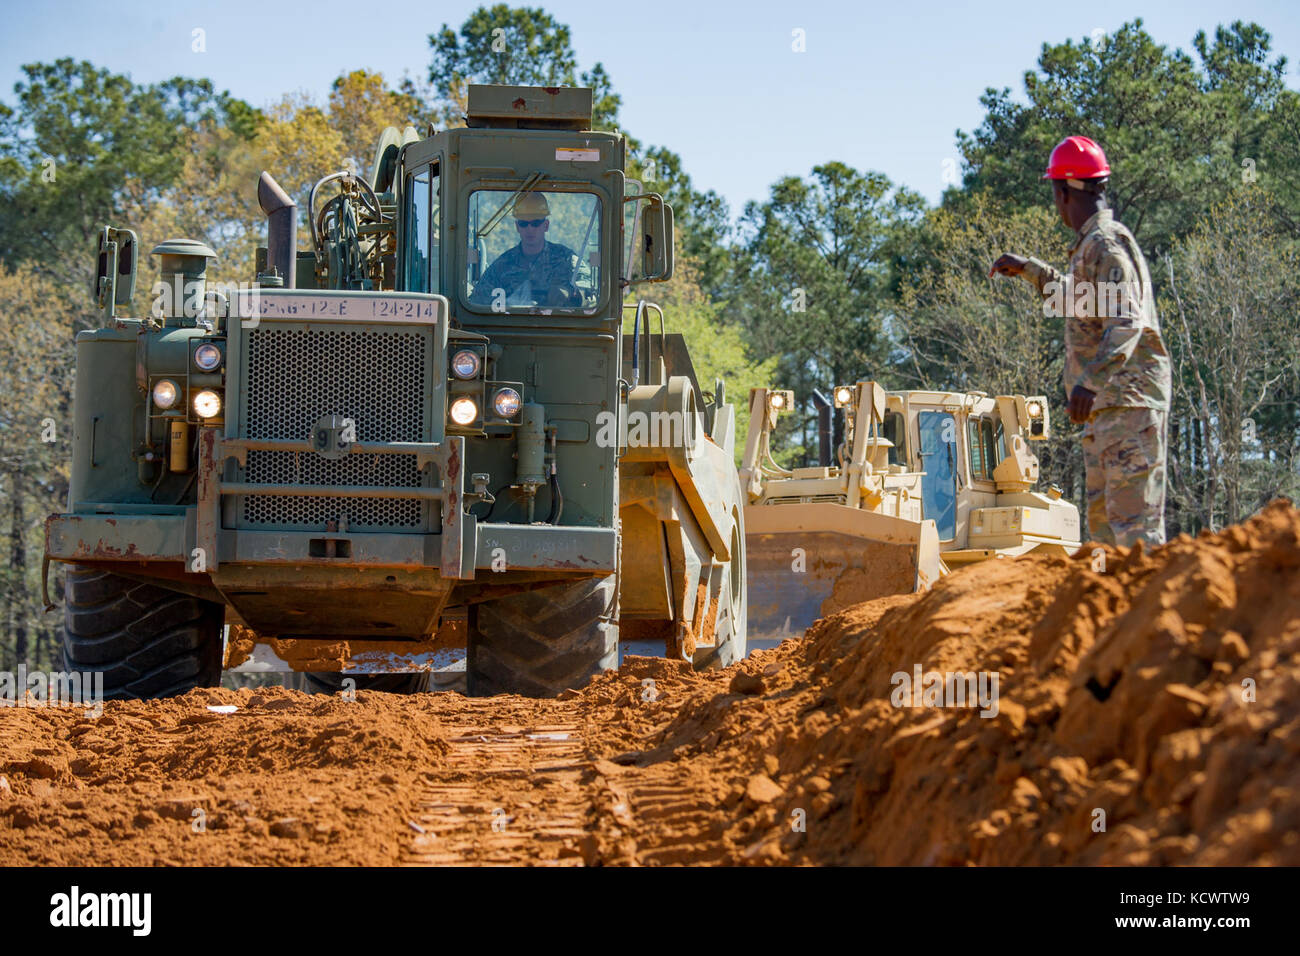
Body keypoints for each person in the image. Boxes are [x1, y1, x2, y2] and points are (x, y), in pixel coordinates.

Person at [989, 135, 1171, 548]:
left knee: (1135, 537)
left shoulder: (1105, 245)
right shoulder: (1091, 246)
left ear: (1061, 193)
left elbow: (1126, 320)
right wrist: (1031, 271)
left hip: (1128, 405)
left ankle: (1152, 613)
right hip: (1109, 410)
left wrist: (1089, 381)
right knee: (1107, 541)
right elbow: (1084, 303)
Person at [470, 192, 581, 308]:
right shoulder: (502, 266)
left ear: (546, 225)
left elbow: (591, 293)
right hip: (514, 325)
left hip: (555, 324)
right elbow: (476, 303)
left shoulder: (566, 259)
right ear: (517, 227)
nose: (530, 229)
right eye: (523, 223)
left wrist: (571, 293)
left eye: (536, 223)